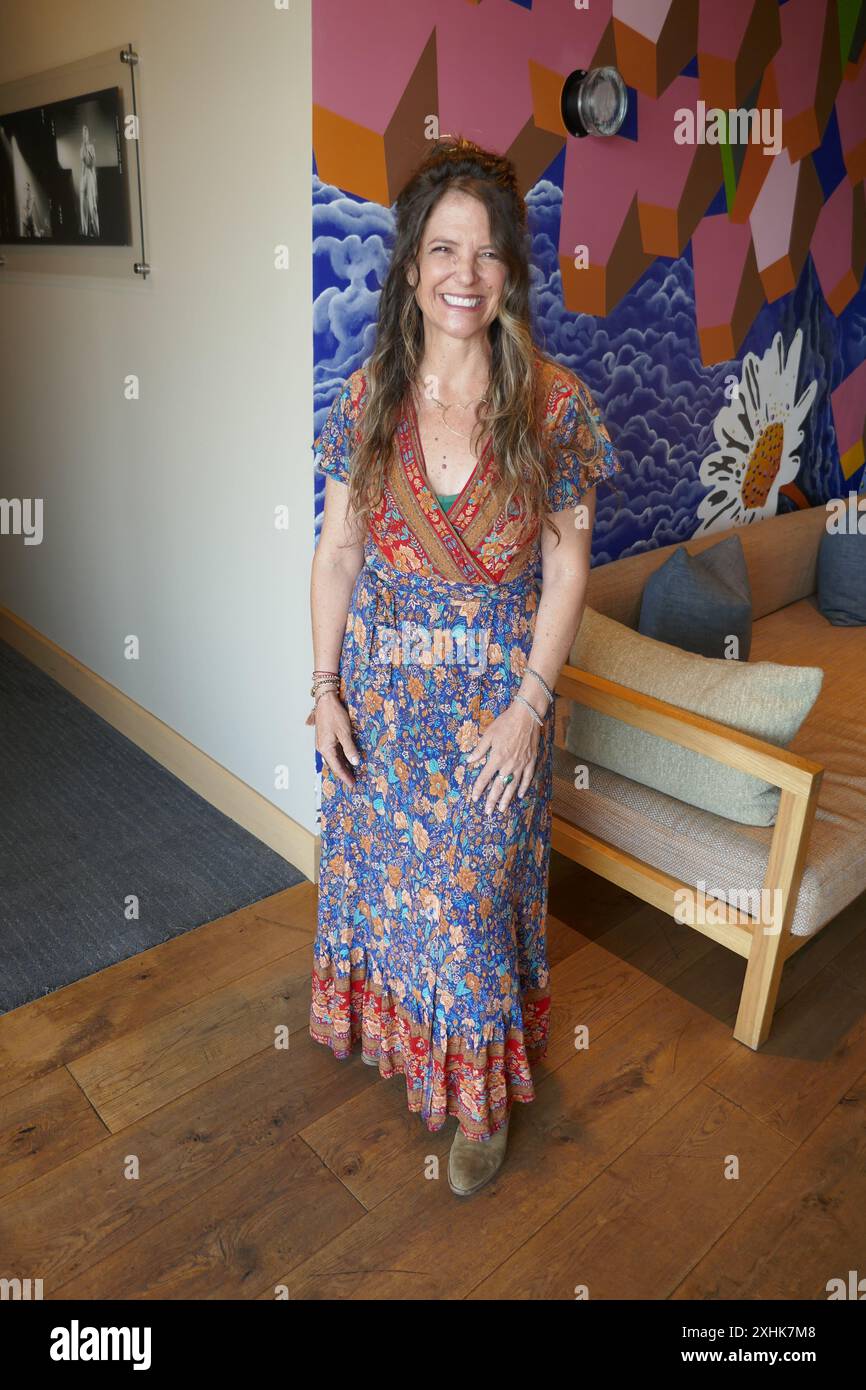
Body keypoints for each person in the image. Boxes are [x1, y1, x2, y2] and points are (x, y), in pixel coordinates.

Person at [308, 136, 622, 1197]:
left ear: (509, 271)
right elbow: (338, 553)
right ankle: (399, 1043)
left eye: (486, 254)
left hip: (494, 712)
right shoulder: (366, 401)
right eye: (443, 249)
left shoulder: (557, 406)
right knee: (387, 889)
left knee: (470, 910)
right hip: (379, 697)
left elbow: (568, 565)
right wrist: (322, 690)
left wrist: (530, 709)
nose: (463, 275)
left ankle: (480, 1108)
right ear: (409, 264)